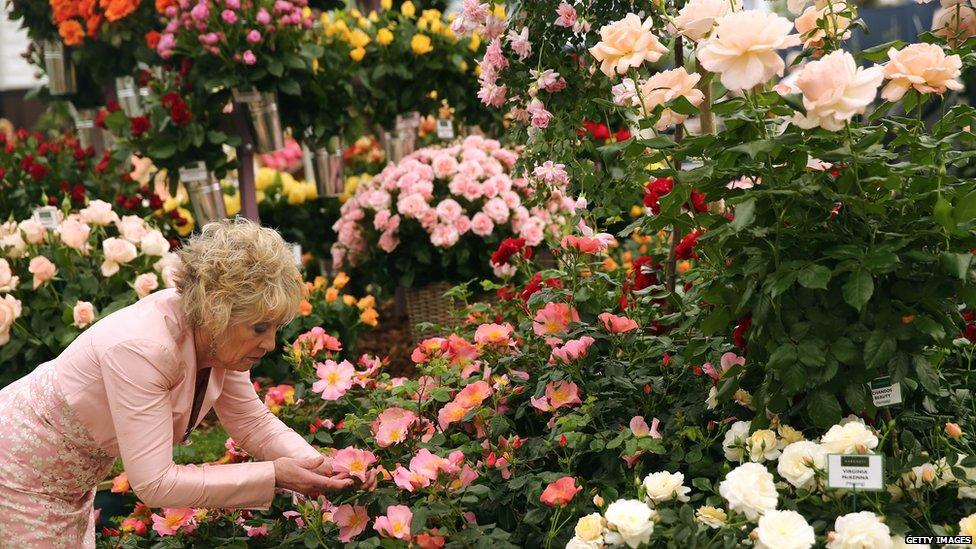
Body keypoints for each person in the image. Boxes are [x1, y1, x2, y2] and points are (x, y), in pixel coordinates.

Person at [0, 219, 355, 547]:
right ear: (217, 311)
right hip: (15, 475)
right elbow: (155, 483)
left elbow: (253, 423)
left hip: (68, 485)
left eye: (276, 328)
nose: (270, 344)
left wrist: (328, 469)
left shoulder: (219, 340)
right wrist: (275, 475)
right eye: (260, 328)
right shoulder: (144, 349)